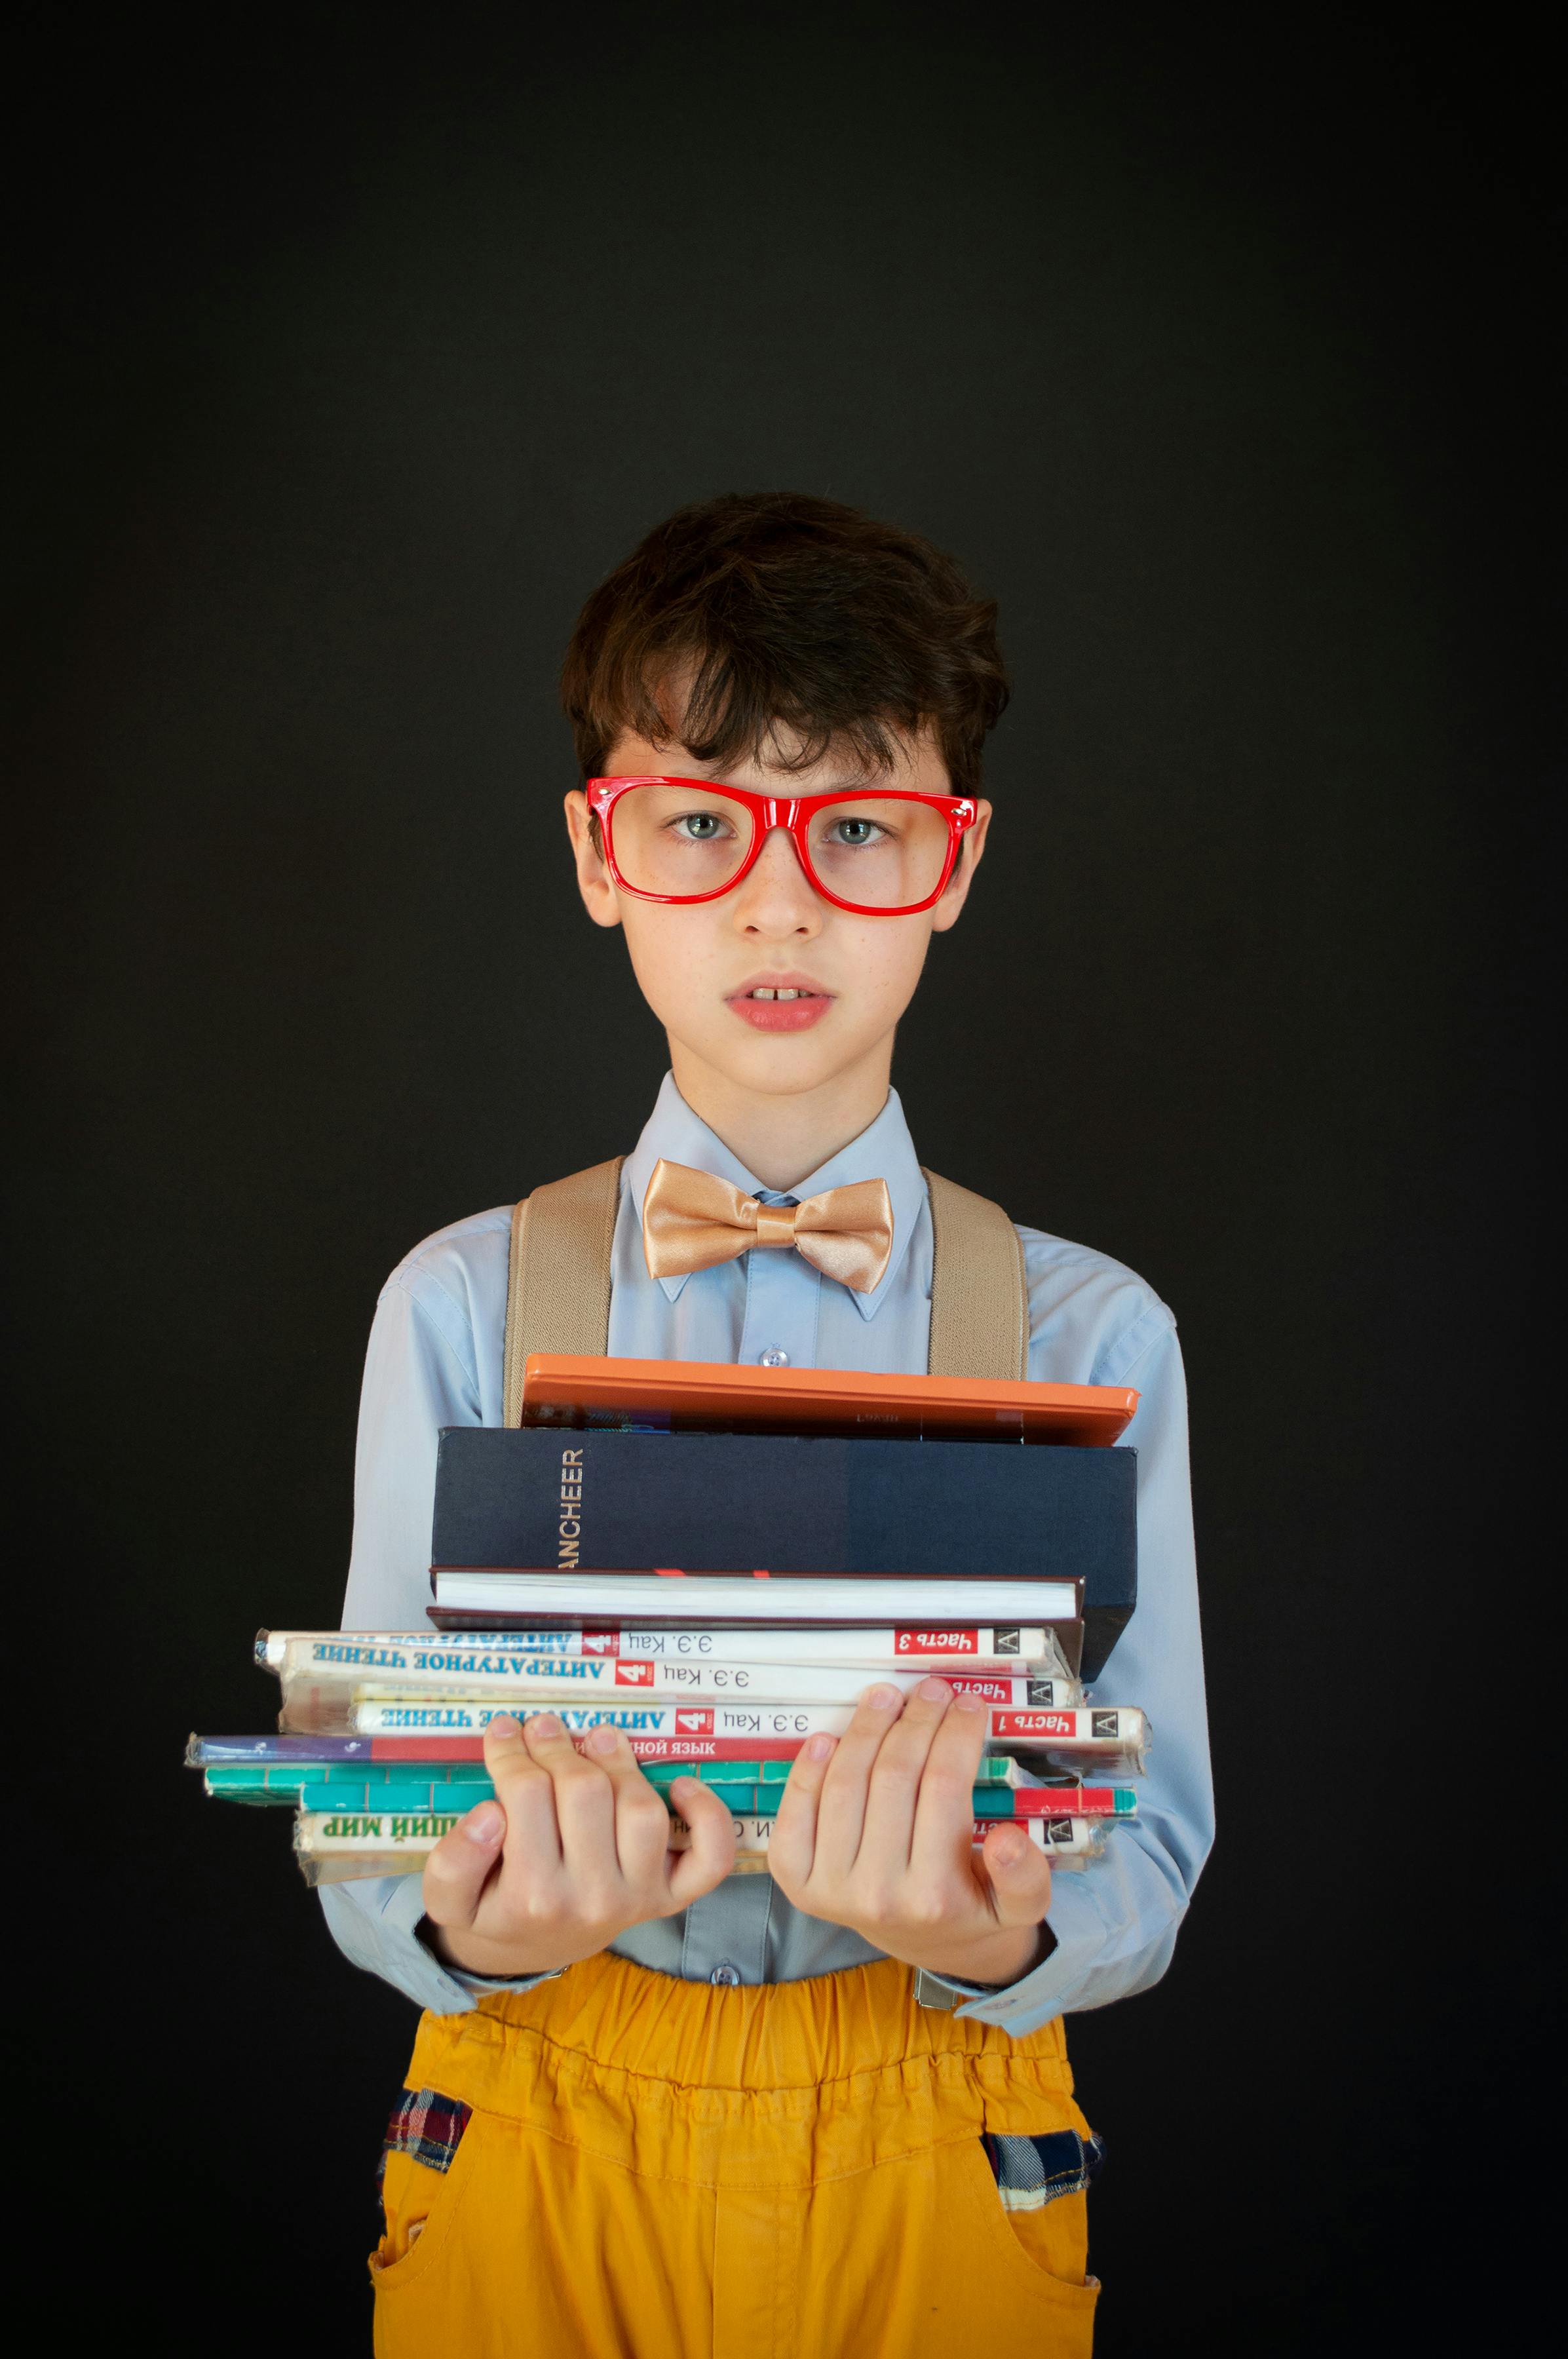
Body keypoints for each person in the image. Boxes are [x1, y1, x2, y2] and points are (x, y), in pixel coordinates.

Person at [324, 493, 1213, 2355]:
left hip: (939, 2117)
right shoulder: (455, 1302)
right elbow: (361, 1818)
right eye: (700, 822)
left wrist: (992, 1936)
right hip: (541, 2108)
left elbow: (1144, 1848)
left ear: (952, 865)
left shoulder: (1090, 1330)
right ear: (598, 850)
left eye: (859, 827)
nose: (777, 897)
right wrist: (487, 1922)